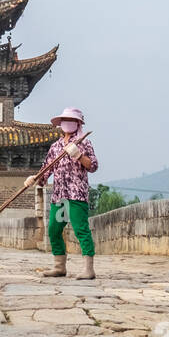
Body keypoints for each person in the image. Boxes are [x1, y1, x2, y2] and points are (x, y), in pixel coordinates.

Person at [29, 107, 99, 279]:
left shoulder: (84, 143)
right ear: (60, 124)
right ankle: (59, 266)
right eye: (65, 120)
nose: (68, 123)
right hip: (59, 196)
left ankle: (88, 269)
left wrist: (78, 155)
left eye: (72, 120)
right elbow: (46, 169)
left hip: (76, 194)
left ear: (78, 123)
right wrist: (35, 179)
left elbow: (93, 166)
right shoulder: (55, 147)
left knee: (80, 228)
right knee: (53, 229)